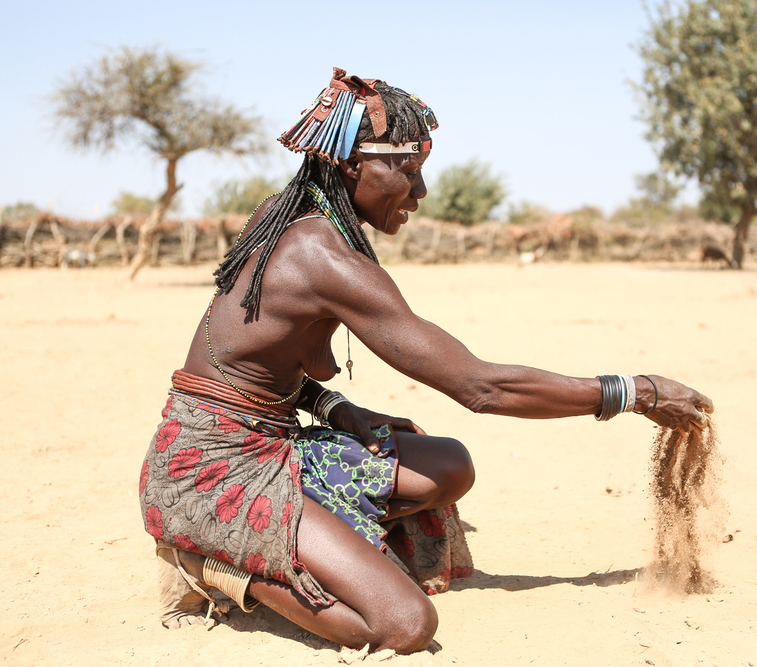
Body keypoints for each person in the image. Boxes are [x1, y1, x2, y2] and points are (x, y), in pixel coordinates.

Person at [138, 68, 713, 655]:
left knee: (448, 467)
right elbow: (481, 388)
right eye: (407, 170)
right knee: (405, 624)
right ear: (351, 164)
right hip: (212, 469)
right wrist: (633, 392)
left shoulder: (304, 222)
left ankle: (321, 546)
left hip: (269, 441)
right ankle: (214, 563)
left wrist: (336, 408)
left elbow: (253, 356)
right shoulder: (319, 256)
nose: (420, 191)